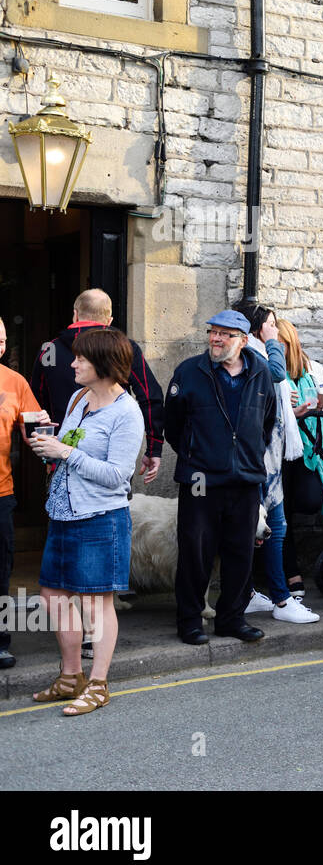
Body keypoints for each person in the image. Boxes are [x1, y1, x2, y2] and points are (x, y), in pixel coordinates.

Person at [26, 329, 144, 714]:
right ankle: (70, 676)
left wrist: (65, 451)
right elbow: (71, 444)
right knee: (53, 595)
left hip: (100, 517)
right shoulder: (80, 398)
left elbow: (117, 475)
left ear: (104, 365)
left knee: (97, 603)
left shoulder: (127, 413)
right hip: (63, 511)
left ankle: (98, 683)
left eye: (80, 359)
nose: (72, 363)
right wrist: (50, 444)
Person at [164, 310, 277, 646]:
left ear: (243, 341)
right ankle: (189, 621)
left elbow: (267, 423)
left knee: (240, 554)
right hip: (200, 480)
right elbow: (173, 425)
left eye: (225, 334)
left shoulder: (261, 373)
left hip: (244, 479)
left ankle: (231, 619)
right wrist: (196, 454)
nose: (216, 339)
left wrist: (247, 454)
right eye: (213, 332)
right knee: (195, 554)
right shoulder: (189, 372)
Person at [233, 301, 318, 625]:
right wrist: (271, 341)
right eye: (270, 323)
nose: (276, 328)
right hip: (259, 459)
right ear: (256, 328)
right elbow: (277, 373)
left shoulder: (251, 353)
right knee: (272, 527)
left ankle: (248, 594)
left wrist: (289, 413)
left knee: (260, 528)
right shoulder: (254, 352)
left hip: (267, 455)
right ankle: (281, 600)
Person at [30, 288, 164, 485]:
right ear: (109, 321)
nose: (74, 364)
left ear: (75, 314)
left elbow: (36, 404)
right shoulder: (125, 348)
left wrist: (46, 445)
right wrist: (154, 447)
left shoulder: (50, 349)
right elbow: (150, 396)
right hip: (105, 451)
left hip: (62, 454)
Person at [276, 319, 323, 597]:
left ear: (291, 343)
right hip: (277, 452)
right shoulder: (269, 372)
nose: (275, 349)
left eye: (280, 344)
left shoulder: (314, 371)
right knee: (282, 514)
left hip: (307, 451)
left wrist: (314, 406)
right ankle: (291, 573)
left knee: (310, 502)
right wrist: (286, 410)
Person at [0, 318, 43, 670]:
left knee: (1, 570)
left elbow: (33, 430)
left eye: (1, 340)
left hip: (1, 493)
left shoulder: (15, 383)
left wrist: (54, 445)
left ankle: (0, 643)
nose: (0, 347)